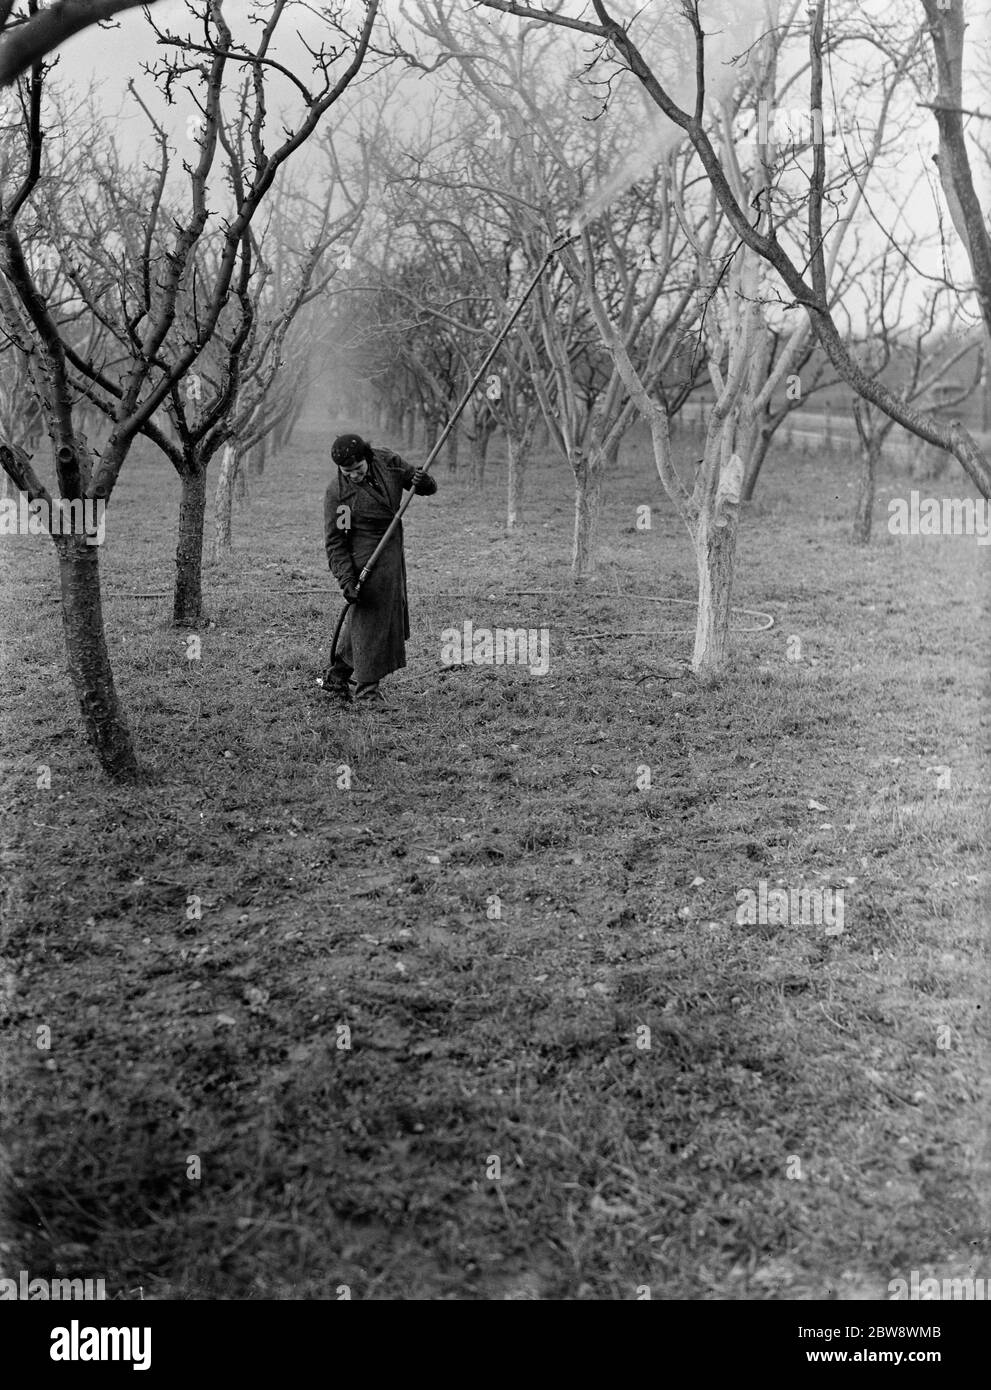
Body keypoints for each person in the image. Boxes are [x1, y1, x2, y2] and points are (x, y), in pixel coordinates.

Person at [322, 433, 437, 708]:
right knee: (371, 623)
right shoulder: (339, 493)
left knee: (371, 620)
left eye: (358, 469)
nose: (354, 476)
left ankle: (337, 676)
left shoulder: (387, 461)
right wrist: (346, 578)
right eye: (347, 472)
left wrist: (423, 482)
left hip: (391, 549)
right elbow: (337, 541)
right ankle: (367, 693)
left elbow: (421, 485)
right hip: (365, 557)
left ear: (368, 458)